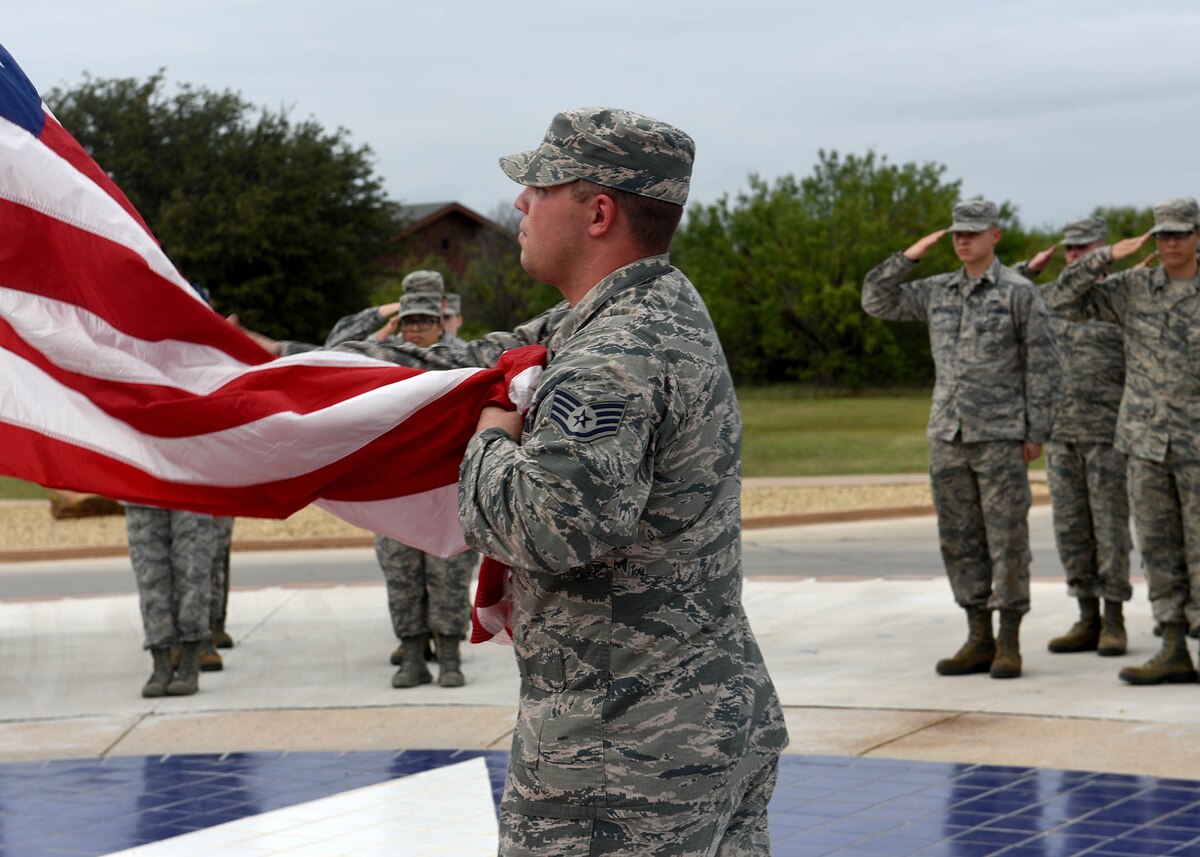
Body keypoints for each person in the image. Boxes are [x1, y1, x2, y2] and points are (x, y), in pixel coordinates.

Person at [456, 108, 787, 855]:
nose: (519, 204)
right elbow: (492, 352)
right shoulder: (651, 306)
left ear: (597, 212)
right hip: (699, 716)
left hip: (620, 759)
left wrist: (490, 428)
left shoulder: (614, 353)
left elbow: (548, 525)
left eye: (539, 187)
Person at [862, 199, 1062, 680]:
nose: (962, 240)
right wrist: (908, 257)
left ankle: (1010, 641)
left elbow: (1045, 365)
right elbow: (876, 300)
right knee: (959, 538)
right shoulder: (939, 291)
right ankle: (978, 636)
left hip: (1001, 435)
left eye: (972, 232)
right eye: (956, 233)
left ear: (995, 235)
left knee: (1007, 540)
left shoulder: (1018, 292)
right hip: (948, 434)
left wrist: (1036, 431)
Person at [1042, 197, 1200, 685]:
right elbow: (1059, 301)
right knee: (1158, 550)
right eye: (1162, 234)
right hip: (1146, 443)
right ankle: (1173, 647)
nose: (1169, 242)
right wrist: (1103, 258)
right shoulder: (1133, 289)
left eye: (1178, 232)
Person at [1016, 217, 1132, 657]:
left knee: (1111, 530)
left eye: (1084, 249)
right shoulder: (1050, 300)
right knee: (1071, 530)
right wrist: (1029, 268)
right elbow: (1005, 291)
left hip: (1110, 436)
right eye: (1070, 250)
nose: (1075, 256)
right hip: (1062, 436)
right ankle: (1087, 616)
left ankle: (1115, 620)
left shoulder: (1122, 297)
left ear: (1102, 249)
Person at [378, 290, 479, 688]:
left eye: (424, 321)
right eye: (409, 321)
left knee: (448, 577)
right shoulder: (383, 367)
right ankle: (413, 655)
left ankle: (450, 656)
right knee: (402, 578)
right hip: (398, 492)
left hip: (444, 492)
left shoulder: (461, 367)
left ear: (442, 324)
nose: (416, 329)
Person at [126, 504, 220, 696]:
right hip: (142, 489)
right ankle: (161, 665)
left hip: (190, 488)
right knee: (150, 577)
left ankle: (190, 662)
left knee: (192, 573)